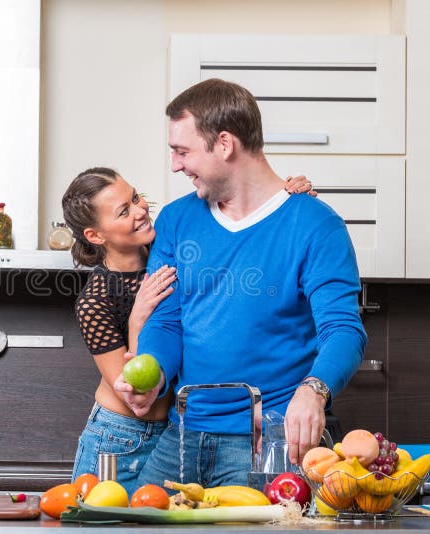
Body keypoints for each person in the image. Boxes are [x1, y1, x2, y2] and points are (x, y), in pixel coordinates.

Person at [114, 78, 367, 489]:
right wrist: (155, 373)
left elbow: (344, 331)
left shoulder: (316, 225)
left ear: (225, 144)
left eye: (182, 151)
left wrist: (314, 390)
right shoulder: (177, 221)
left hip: (271, 442)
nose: (175, 165)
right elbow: (167, 321)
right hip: (182, 437)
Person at [62, 166, 314, 495]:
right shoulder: (94, 302)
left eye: (135, 197)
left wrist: (283, 195)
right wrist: (138, 320)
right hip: (119, 438)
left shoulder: (168, 246)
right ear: (95, 235)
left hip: (174, 432)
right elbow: (136, 393)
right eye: (124, 211)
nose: (140, 210)